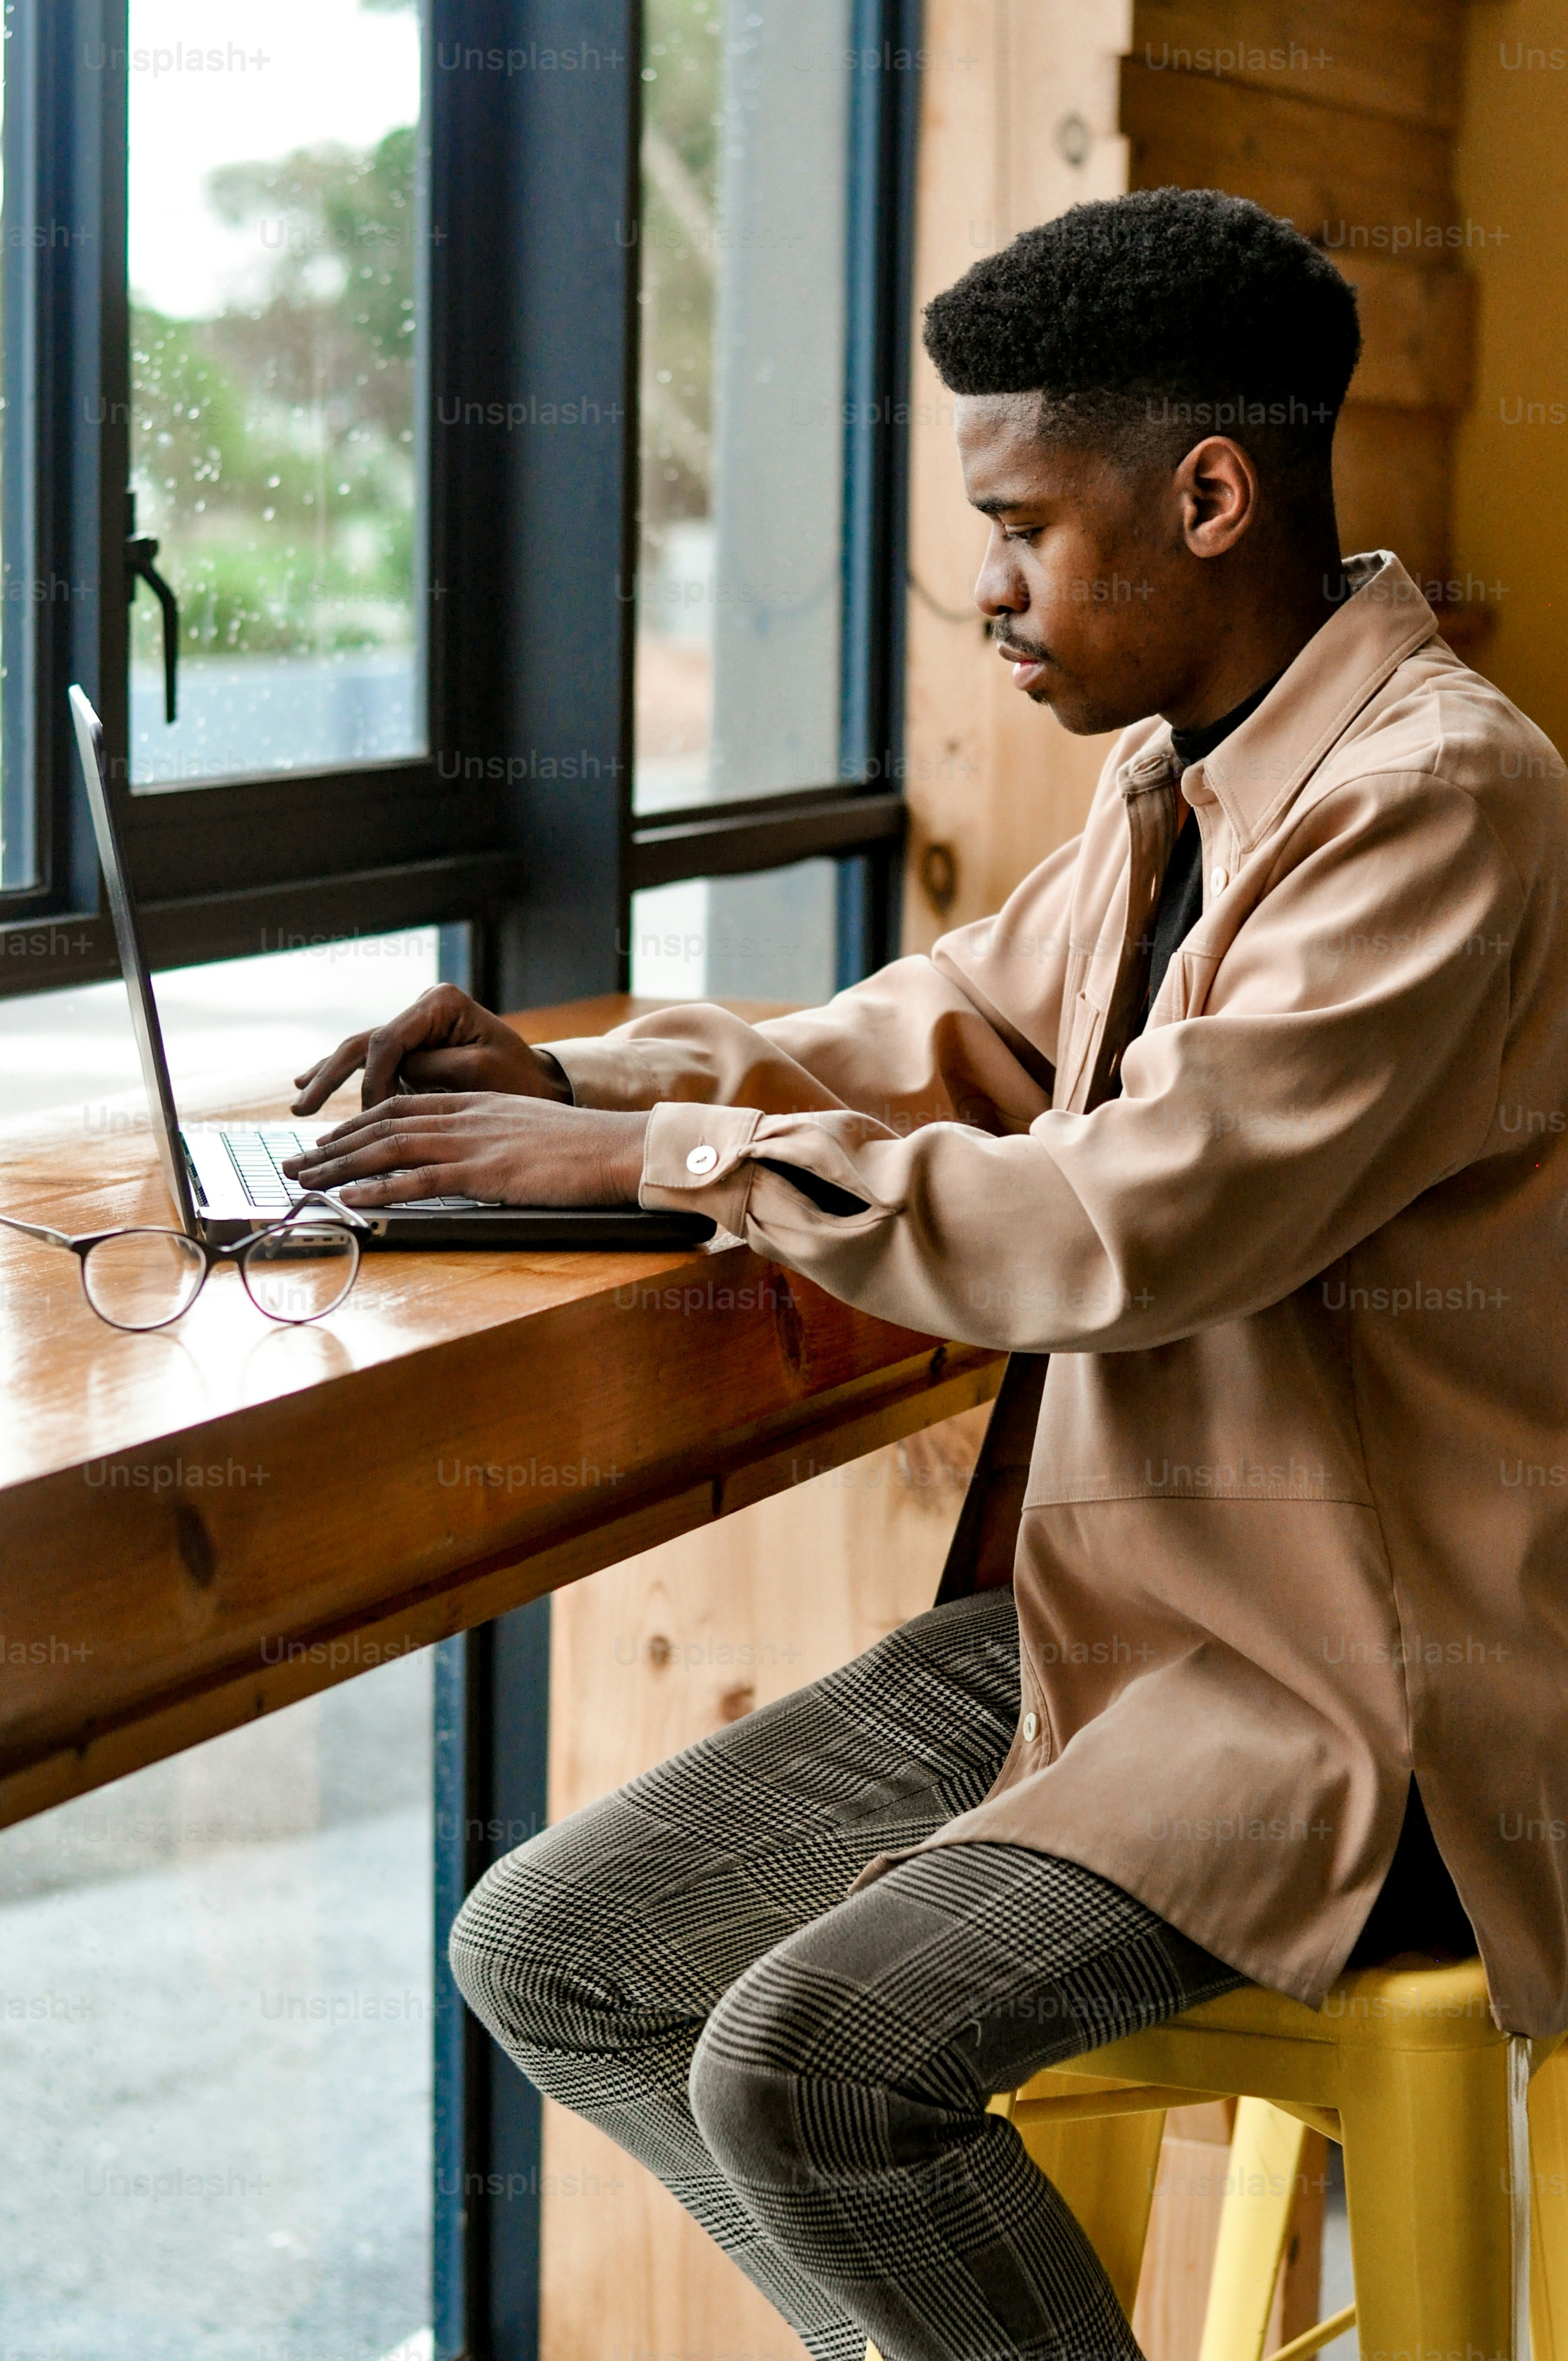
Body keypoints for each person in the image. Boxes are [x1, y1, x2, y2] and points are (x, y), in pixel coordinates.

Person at [286, 189, 1568, 2360]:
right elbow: (948, 1030)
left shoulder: (1441, 801)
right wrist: (593, 1074)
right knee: (553, 1951)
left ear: (1209, 495)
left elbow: (1127, 1221)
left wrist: (658, 1153)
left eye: (1020, 526)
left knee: (807, 2072)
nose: (981, 592)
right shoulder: (1191, 780)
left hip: (1367, 1699)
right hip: (1118, 1627)